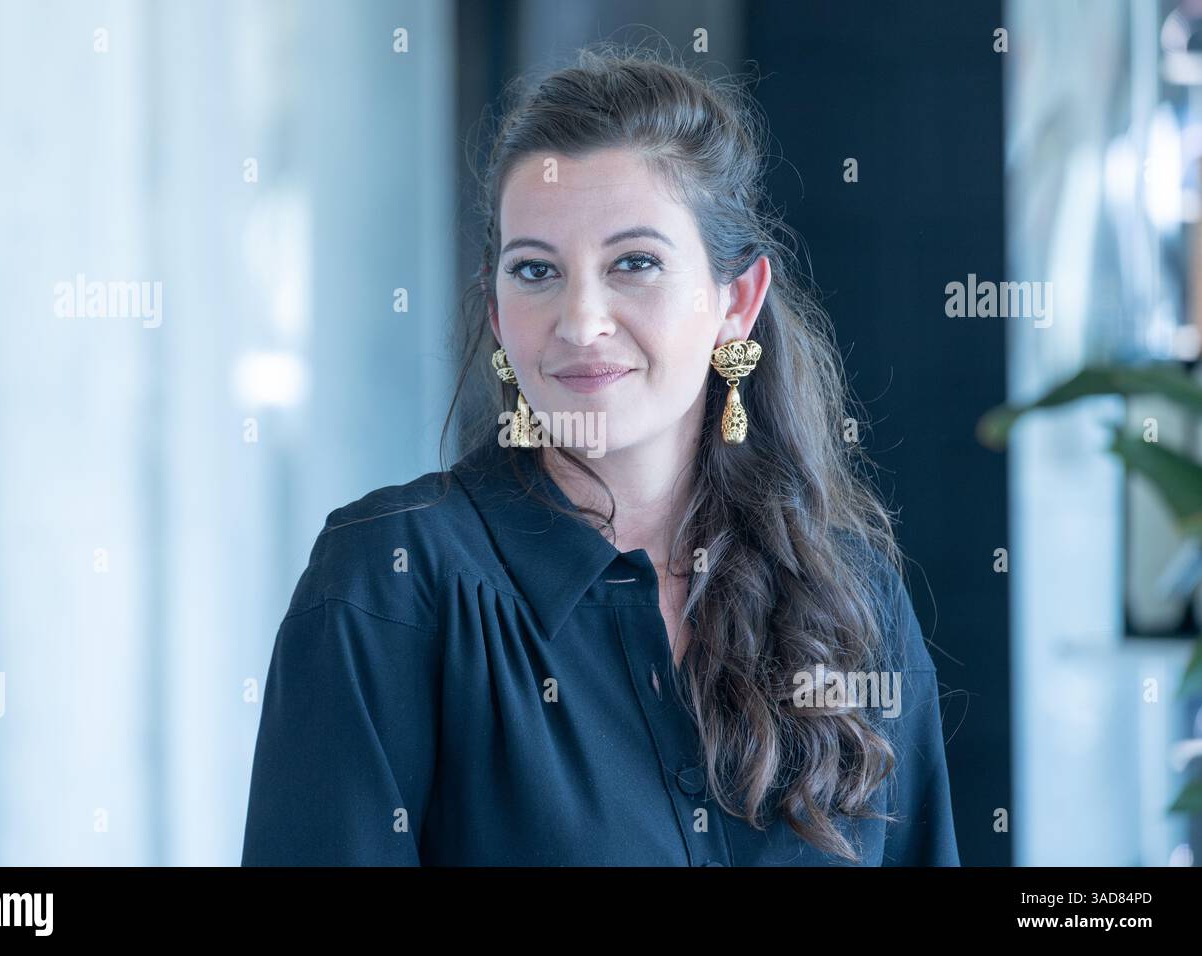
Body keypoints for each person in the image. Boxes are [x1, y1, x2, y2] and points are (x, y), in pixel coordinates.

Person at [241, 43, 959, 866]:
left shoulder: (855, 601)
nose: (581, 322)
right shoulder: (390, 581)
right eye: (537, 270)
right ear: (499, 311)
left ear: (738, 302)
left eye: (635, 264)